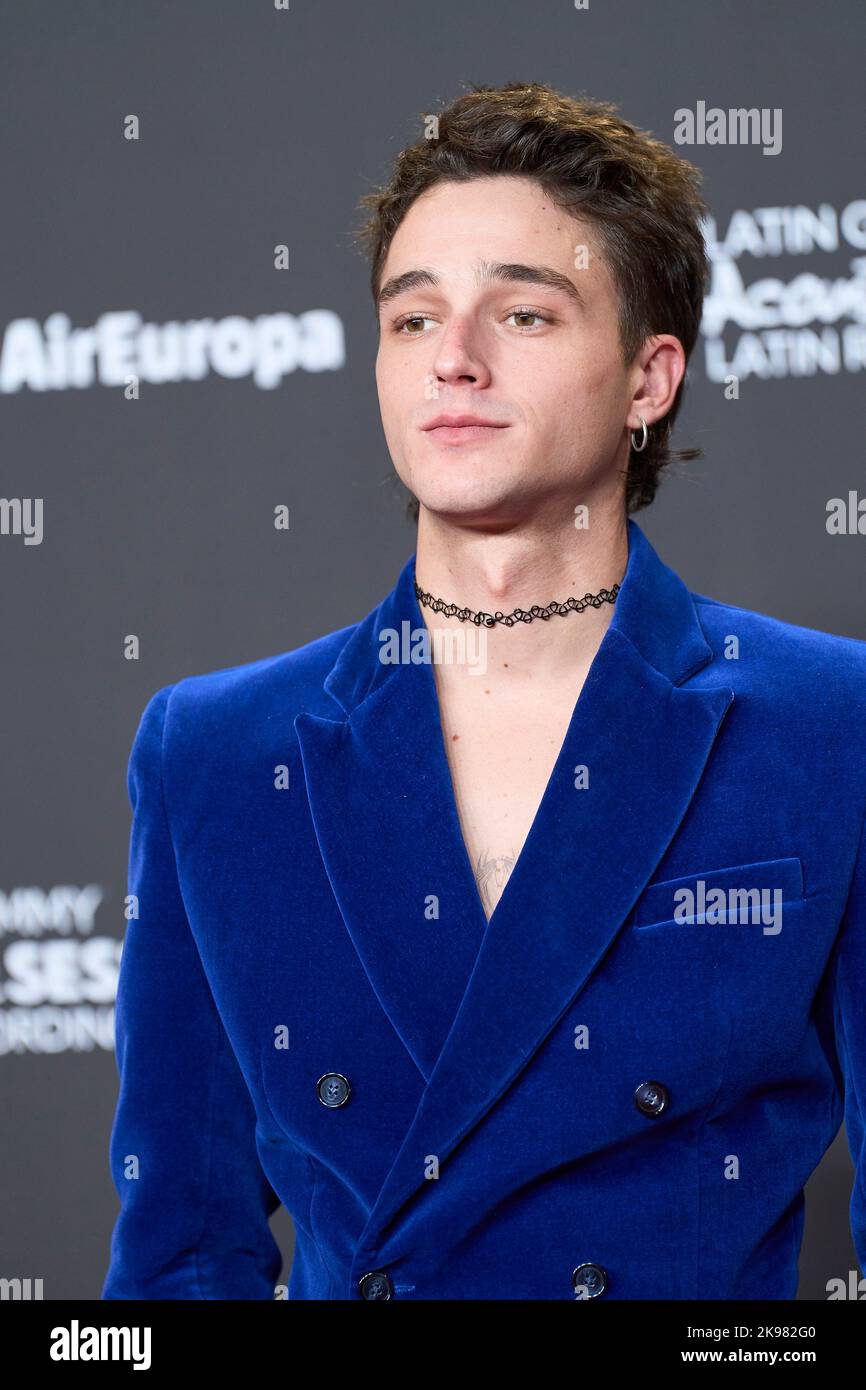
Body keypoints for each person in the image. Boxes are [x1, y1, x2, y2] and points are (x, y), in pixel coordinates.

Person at [102, 82, 866, 1301]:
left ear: (647, 379)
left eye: (522, 312)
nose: (452, 359)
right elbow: (180, 1253)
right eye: (412, 319)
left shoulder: (833, 723)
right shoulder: (215, 751)